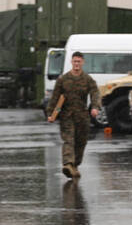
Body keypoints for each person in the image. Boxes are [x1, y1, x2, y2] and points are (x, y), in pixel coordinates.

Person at [44, 51, 102, 179]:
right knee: (68, 140)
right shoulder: (63, 79)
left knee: (80, 142)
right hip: (67, 116)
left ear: (82, 62)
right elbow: (55, 97)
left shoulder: (88, 79)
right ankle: (68, 164)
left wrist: (95, 107)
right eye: (74, 61)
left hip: (82, 116)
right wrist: (50, 113)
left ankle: (75, 165)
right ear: (71, 62)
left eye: (79, 61)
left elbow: (95, 93)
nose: (76, 64)